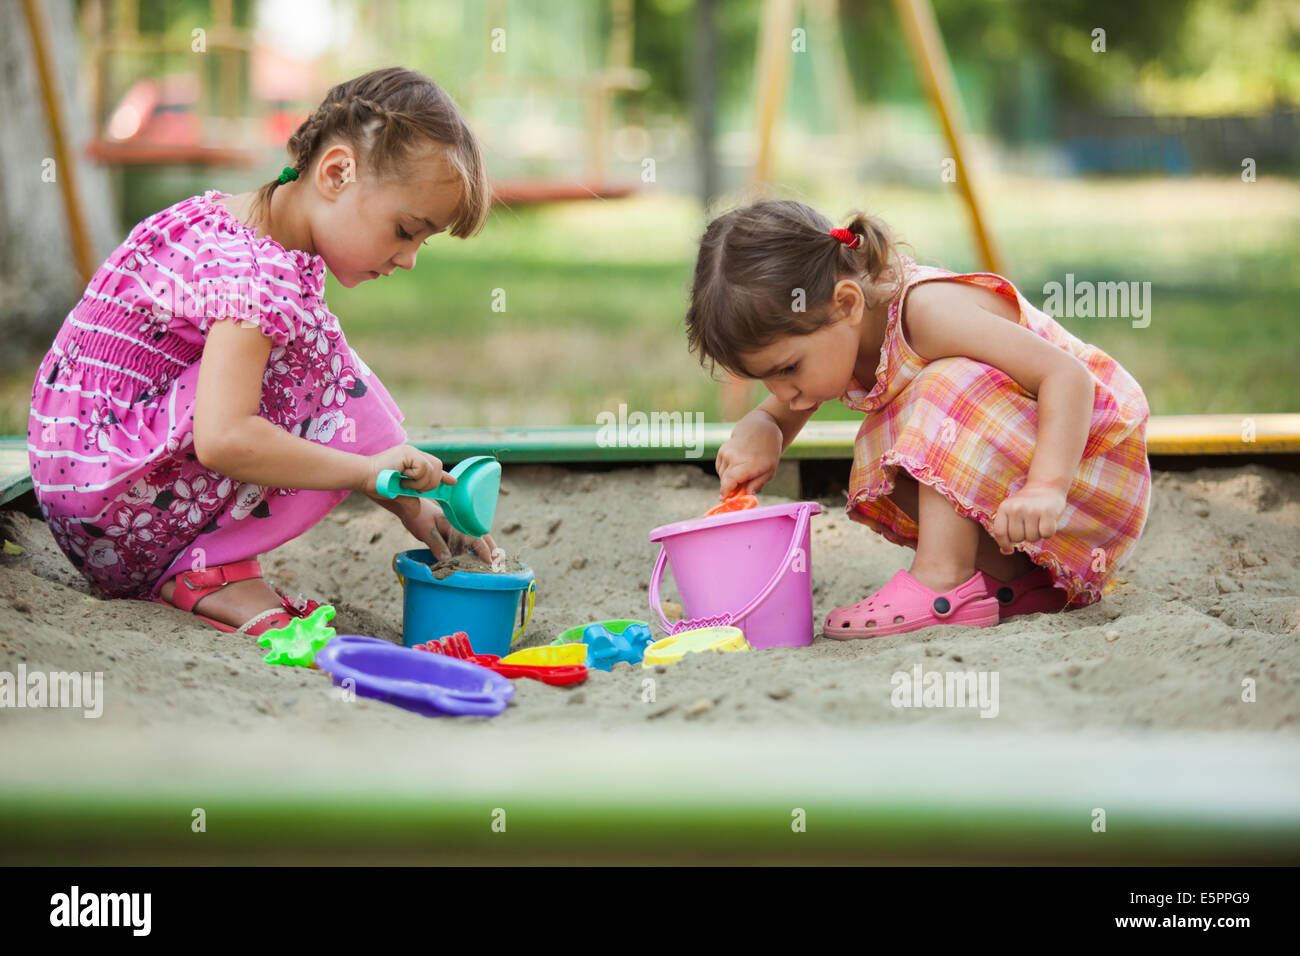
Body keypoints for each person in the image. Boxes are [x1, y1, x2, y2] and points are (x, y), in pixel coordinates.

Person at [28, 67, 496, 636]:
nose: (409, 258)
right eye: (405, 230)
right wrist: (370, 471)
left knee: (310, 345)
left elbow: (326, 370)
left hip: (85, 476)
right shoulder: (256, 276)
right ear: (337, 172)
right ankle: (204, 570)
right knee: (301, 354)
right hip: (115, 511)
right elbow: (225, 438)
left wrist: (408, 500)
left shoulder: (235, 224)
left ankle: (203, 560)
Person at [687, 200, 1151, 638]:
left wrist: (1046, 488)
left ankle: (942, 580)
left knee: (942, 388)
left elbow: (1067, 377)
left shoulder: (926, 313)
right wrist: (764, 427)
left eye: (788, 369)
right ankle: (1015, 582)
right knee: (882, 438)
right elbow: (789, 400)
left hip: (1089, 466)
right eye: (765, 380)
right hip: (1031, 511)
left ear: (847, 304)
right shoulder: (840, 334)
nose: (784, 392)